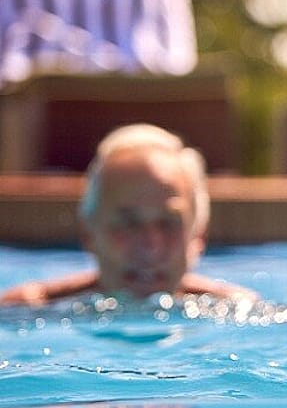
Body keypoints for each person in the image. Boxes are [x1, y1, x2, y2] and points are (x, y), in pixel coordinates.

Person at [0, 123, 256, 307]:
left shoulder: (240, 312)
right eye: (128, 223)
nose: (150, 245)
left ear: (198, 236)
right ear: (89, 234)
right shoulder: (21, 311)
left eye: (168, 223)